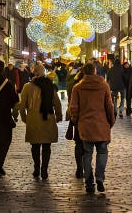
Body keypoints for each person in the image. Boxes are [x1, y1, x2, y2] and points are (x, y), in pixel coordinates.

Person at [70, 63, 115, 194]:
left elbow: (74, 108)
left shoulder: (77, 87)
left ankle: (89, 182)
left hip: (85, 125)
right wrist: (111, 121)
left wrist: (75, 120)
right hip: (101, 124)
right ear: (95, 71)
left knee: (87, 153)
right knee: (102, 151)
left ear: (83, 72)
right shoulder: (103, 85)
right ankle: (100, 177)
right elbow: (109, 106)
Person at [18, 62, 63, 180]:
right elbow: (56, 103)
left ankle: (37, 167)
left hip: (33, 119)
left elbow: (22, 105)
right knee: (47, 146)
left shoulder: (28, 86)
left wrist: (24, 118)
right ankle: (44, 170)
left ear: (34, 72)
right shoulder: (50, 85)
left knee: (35, 146)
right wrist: (59, 115)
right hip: (47, 118)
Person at [66, 69, 86, 179]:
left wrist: (73, 117)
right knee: (86, 145)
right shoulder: (91, 87)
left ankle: (80, 168)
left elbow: (72, 104)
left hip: (78, 119)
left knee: (78, 144)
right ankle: (85, 168)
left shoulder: (75, 86)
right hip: (89, 120)